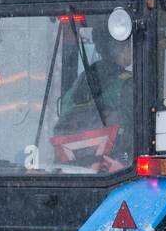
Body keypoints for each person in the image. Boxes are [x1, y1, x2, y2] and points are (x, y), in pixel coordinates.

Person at [54, 21, 134, 164]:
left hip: (73, 161)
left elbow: (65, 108)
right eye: (129, 45)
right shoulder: (127, 84)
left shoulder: (82, 78)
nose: (132, 49)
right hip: (112, 164)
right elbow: (135, 130)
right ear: (123, 49)